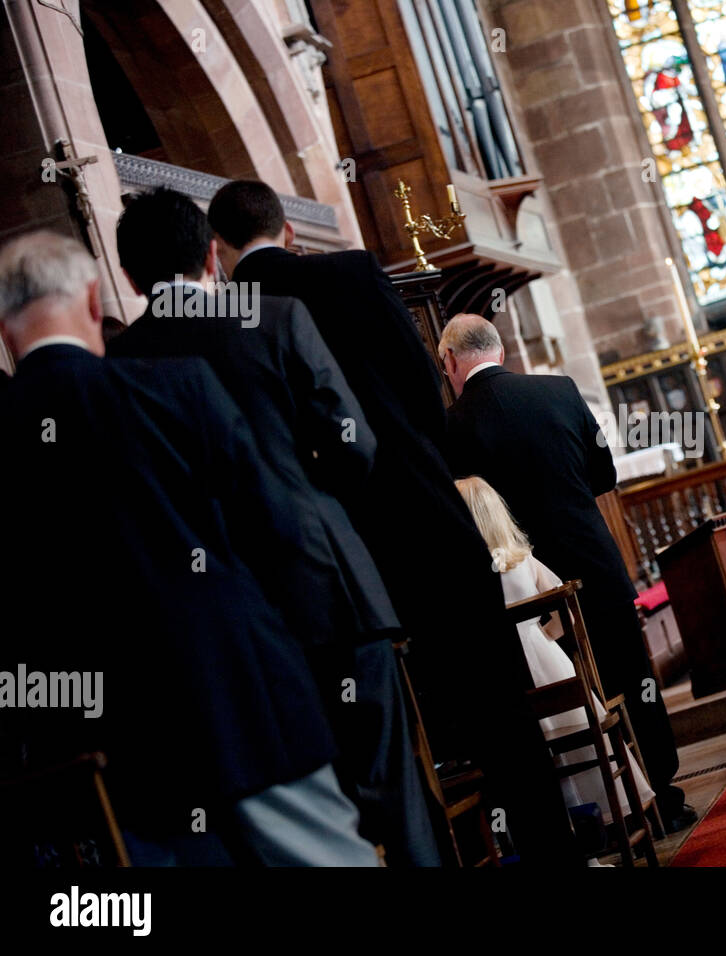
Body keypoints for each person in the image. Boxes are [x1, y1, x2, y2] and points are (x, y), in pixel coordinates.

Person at [205, 180, 580, 865]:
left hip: (333, 565)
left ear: (218, 251)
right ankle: (552, 855)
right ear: (287, 229)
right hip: (425, 519)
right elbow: (419, 380)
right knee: (498, 707)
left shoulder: (227, 321)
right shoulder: (349, 272)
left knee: (407, 743)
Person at [0, 230, 376, 866]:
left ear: (6, 330)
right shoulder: (175, 387)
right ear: (95, 301)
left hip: (102, 744)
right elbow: (279, 530)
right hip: (239, 693)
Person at [109, 188, 439, 867]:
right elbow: (356, 443)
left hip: (227, 624)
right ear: (210, 254)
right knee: (390, 791)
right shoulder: (273, 318)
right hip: (325, 585)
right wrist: (311, 491)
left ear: (132, 278)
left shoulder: (118, 367)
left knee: (287, 816)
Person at [439, 314, 695, 831]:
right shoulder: (559, 390)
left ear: (448, 363)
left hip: (522, 587)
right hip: (593, 565)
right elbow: (604, 474)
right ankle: (663, 796)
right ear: (501, 349)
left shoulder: (451, 425)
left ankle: (600, 815)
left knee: (570, 700)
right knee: (630, 679)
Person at [454, 476, 655, 836]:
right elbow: (568, 614)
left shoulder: (463, 577)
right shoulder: (523, 561)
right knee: (580, 748)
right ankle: (604, 828)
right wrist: (541, 637)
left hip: (507, 683)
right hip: (556, 680)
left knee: (538, 759)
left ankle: (562, 838)